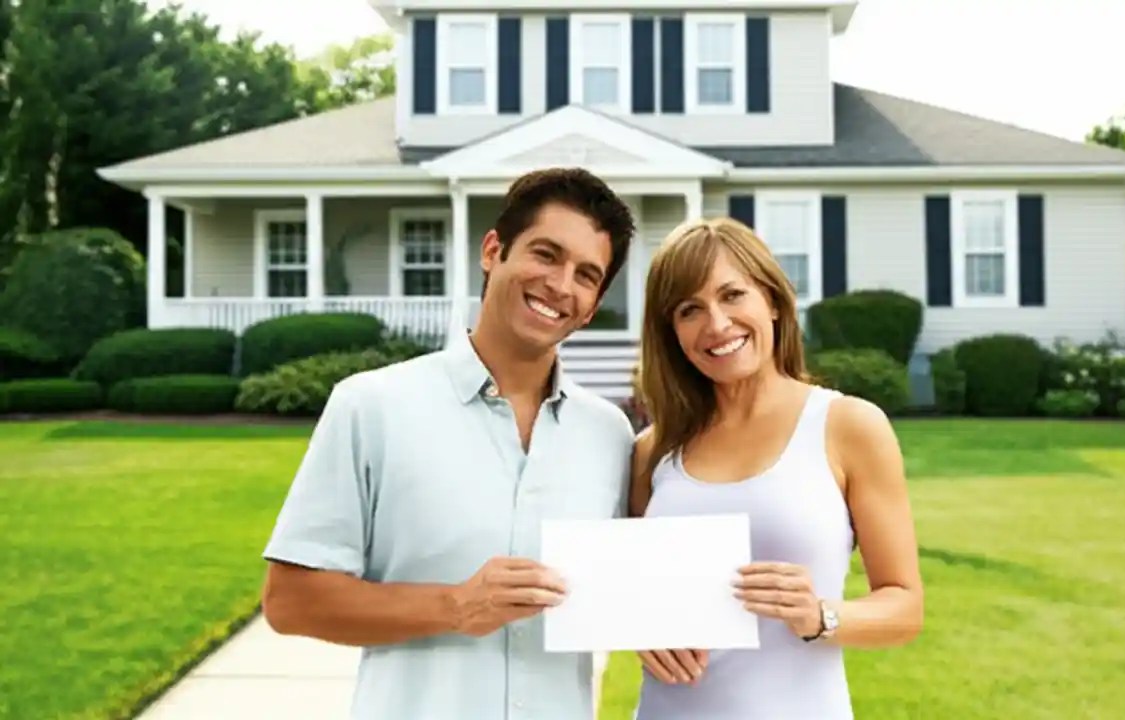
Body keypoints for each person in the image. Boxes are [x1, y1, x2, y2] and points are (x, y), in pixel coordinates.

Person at [259, 167, 638, 720]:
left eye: (587, 275)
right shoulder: (372, 406)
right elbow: (289, 601)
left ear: (594, 302)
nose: (561, 285)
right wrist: (455, 605)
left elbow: (627, 594)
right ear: (492, 251)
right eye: (546, 254)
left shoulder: (609, 434)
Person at [628, 217, 924, 719]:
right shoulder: (652, 450)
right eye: (689, 309)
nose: (717, 324)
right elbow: (620, 587)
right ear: (671, 332)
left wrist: (819, 616)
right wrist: (638, 626)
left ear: (772, 300)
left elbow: (904, 606)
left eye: (732, 295)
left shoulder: (847, 425)